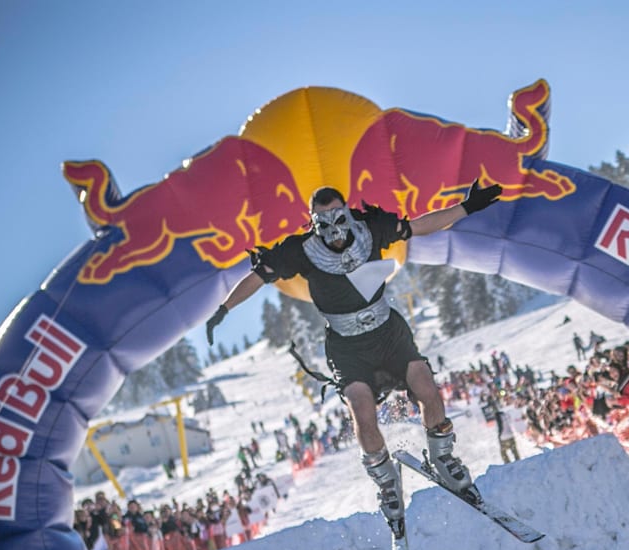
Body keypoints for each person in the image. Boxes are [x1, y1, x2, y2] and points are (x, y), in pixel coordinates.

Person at [205, 180, 503, 526]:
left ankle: (443, 457)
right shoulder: (300, 250)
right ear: (312, 223)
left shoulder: (370, 228)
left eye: (338, 217)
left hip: (387, 333)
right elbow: (258, 277)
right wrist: (224, 309)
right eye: (323, 222)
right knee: (361, 409)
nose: (333, 230)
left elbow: (418, 226)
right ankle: (386, 481)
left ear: (347, 212)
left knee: (424, 383)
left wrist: (467, 207)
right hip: (347, 346)